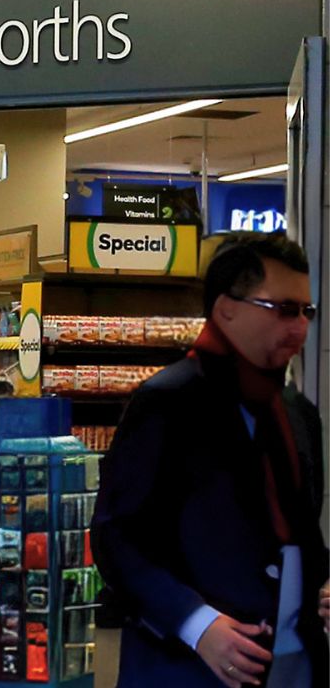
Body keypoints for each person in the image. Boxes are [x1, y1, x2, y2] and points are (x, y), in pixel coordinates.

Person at [92, 233, 328, 688]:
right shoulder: (166, 404)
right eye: (283, 309)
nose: (299, 328)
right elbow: (117, 538)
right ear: (227, 309)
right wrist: (197, 624)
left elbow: (294, 538)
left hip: (294, 667)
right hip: (189, 670)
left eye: (306, 312)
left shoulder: (297, 414)